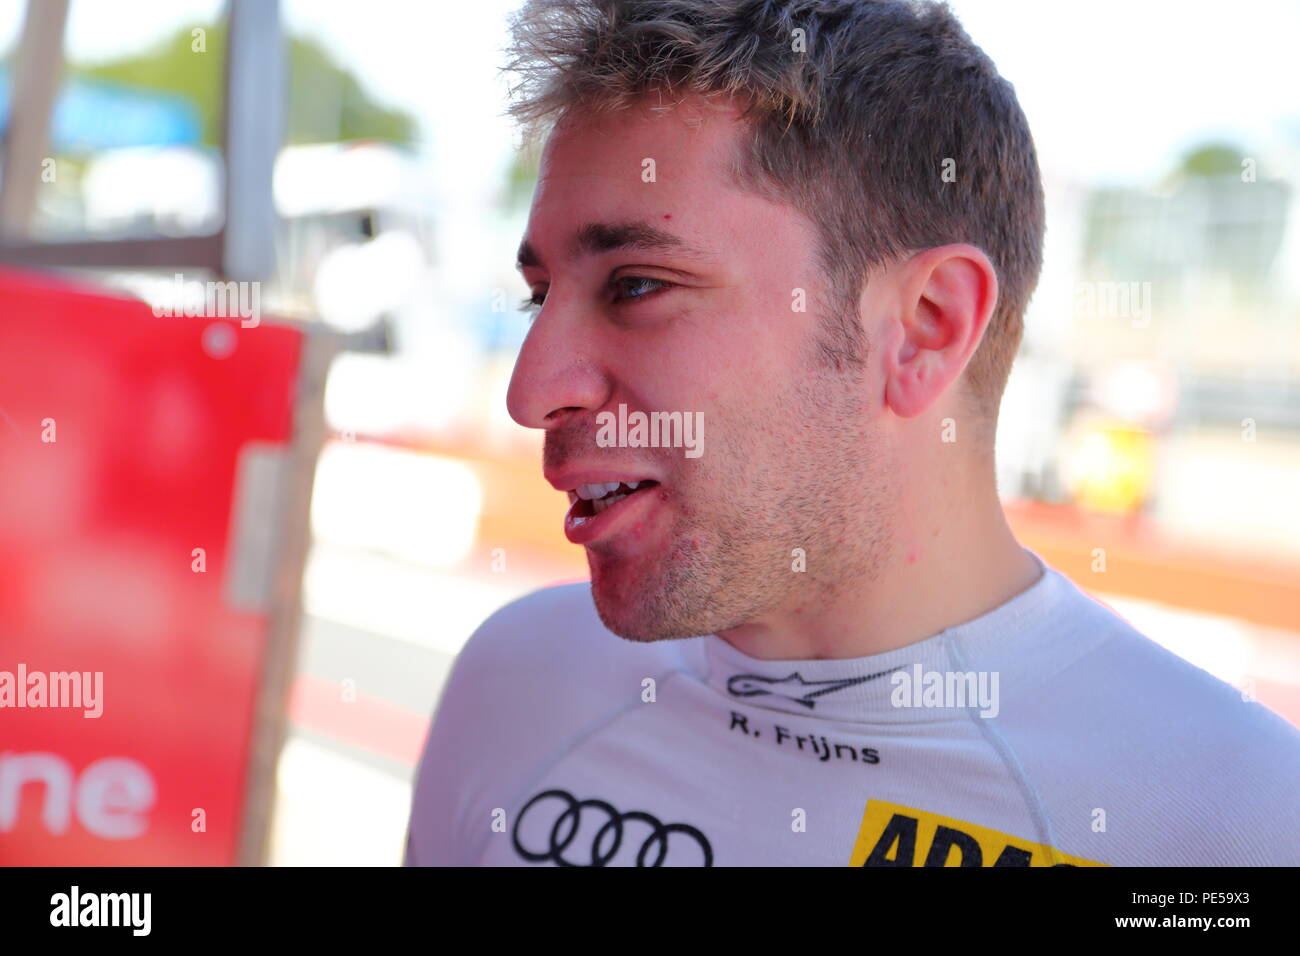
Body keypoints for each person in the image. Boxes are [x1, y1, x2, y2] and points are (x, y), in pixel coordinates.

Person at [404, 0, 1300, 866]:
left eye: (637, 285)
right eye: (539, 294)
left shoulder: (1231, 820)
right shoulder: (518, 682)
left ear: (924, 328)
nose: (531, 392)